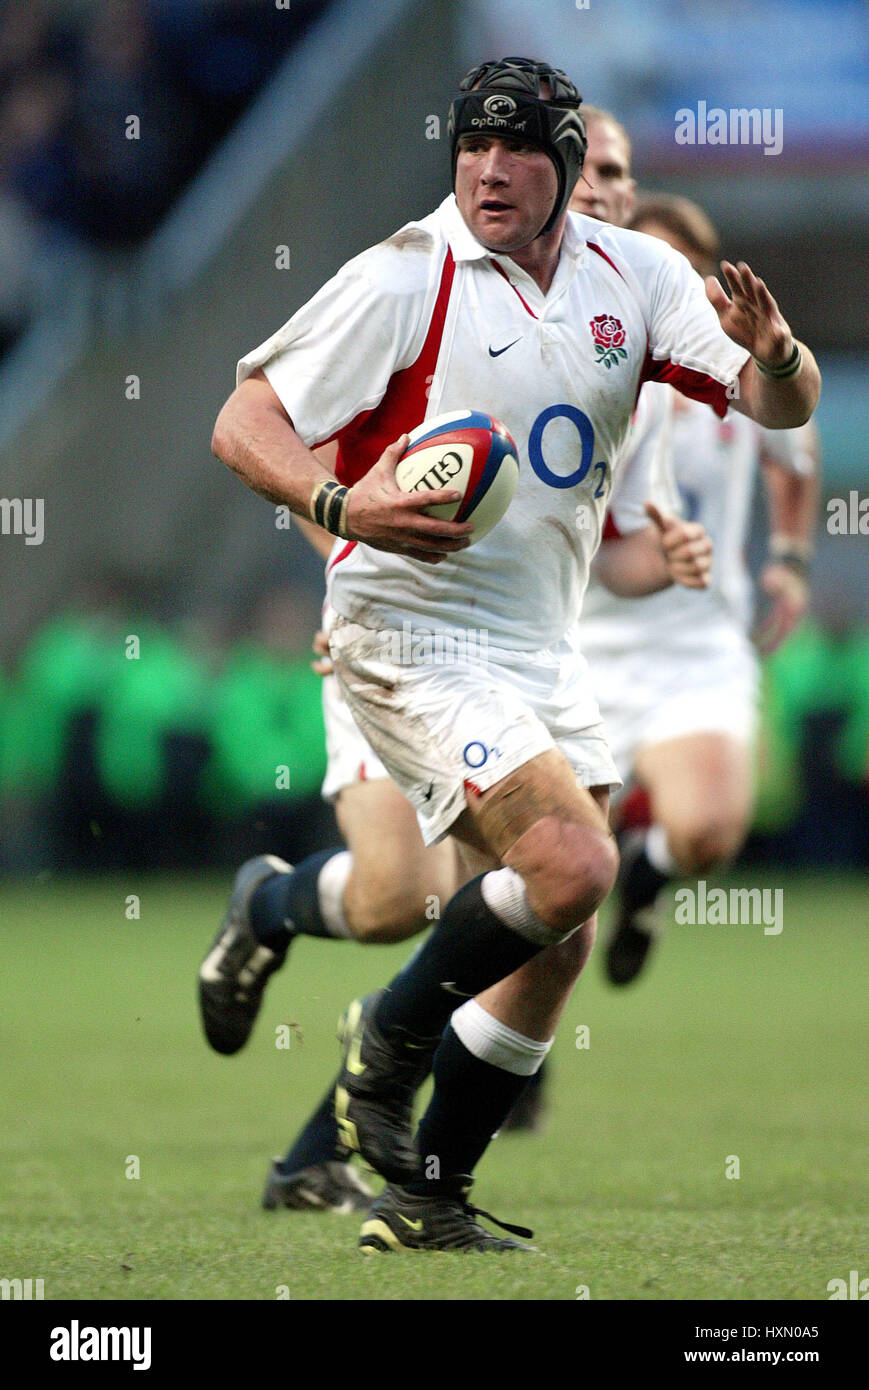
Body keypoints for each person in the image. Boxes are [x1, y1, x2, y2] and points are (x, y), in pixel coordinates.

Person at [204, 56, 820, 1251]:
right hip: (406, 632)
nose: (489, 170)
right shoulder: (405, 273)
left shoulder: (634, 275)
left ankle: (426, 1197)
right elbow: (242, 422)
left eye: (517, 149)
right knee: (566, 866)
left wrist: (781, 354)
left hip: (539, 647)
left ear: (569, 166)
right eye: (470, 147)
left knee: (557, 929)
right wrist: (340, 507)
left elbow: (768, 402)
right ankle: (380, 1055)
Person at [579, 191, 819, 984]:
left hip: (697, 641)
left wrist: (788, 557)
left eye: (680, 270)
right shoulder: (582, 372)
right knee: (554, 870)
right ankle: (518, 1059)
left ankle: (645, 878)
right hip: (580, 646)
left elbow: (795, 454)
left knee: (709, 833)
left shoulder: (733, 371)